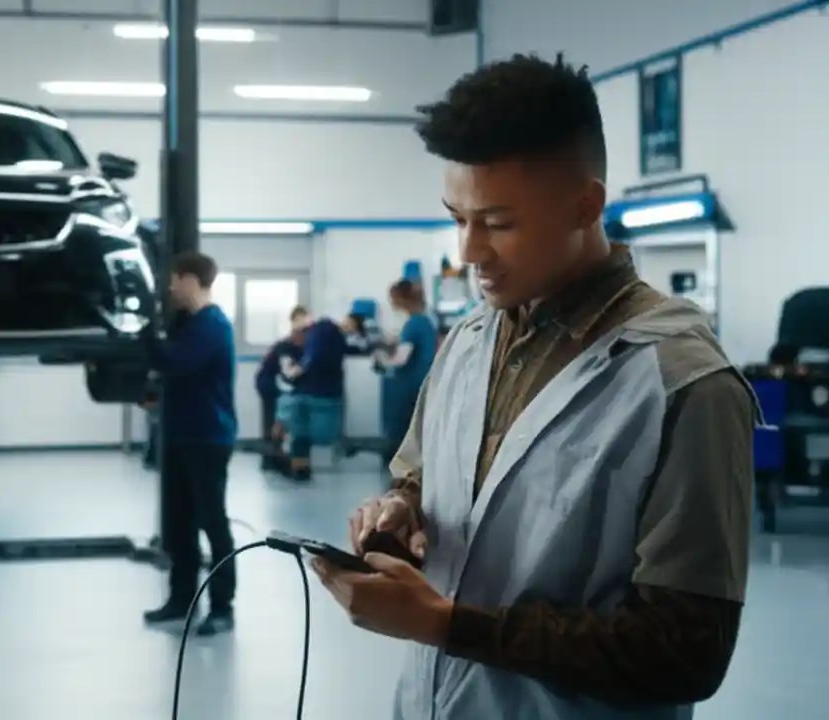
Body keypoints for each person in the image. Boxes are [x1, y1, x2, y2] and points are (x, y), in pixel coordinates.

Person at [311, 55, 756, 718]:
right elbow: (422, 479)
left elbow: (684, 651)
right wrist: (399, 513)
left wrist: (444, 624)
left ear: (586, 205)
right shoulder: (466, 343)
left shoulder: (682, 384)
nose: (468, 252)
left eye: (497, 223)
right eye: (456, 218)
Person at [142, 251, 239, 637]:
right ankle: (181, 600)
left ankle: (222, 607)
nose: (169, 287)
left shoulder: (212, 325)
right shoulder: (188, 324)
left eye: (174, 279)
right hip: (181, 435)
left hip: (207, 438)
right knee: (179, 523)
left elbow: (176, 362)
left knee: (212, 522)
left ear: (190, 280)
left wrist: (143, 332)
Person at [278, 310, 369, 481]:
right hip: (319, 391)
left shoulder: (332, 334)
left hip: (313, 389)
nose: (350, 331)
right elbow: (314, 356)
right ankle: (298, 467)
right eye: (352, 328)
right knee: (307, 430)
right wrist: (299, 371)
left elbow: (343, 351)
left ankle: (300, 468)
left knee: (301, 431)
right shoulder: (327, 329)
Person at [374, 280, 437, 469]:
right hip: (424, 382)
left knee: (401, 429)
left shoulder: (413, 323)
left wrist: (383, 359)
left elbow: (401, 359)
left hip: (409, 386)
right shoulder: (425, 321)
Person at [254, 306, 308, 472]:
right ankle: (271, 459)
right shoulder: (285, 346)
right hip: (268, 384)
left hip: (278, 383)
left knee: (280, 420)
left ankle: (277, 457)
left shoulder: (302, 344)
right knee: (273, 421)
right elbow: (288, 373)